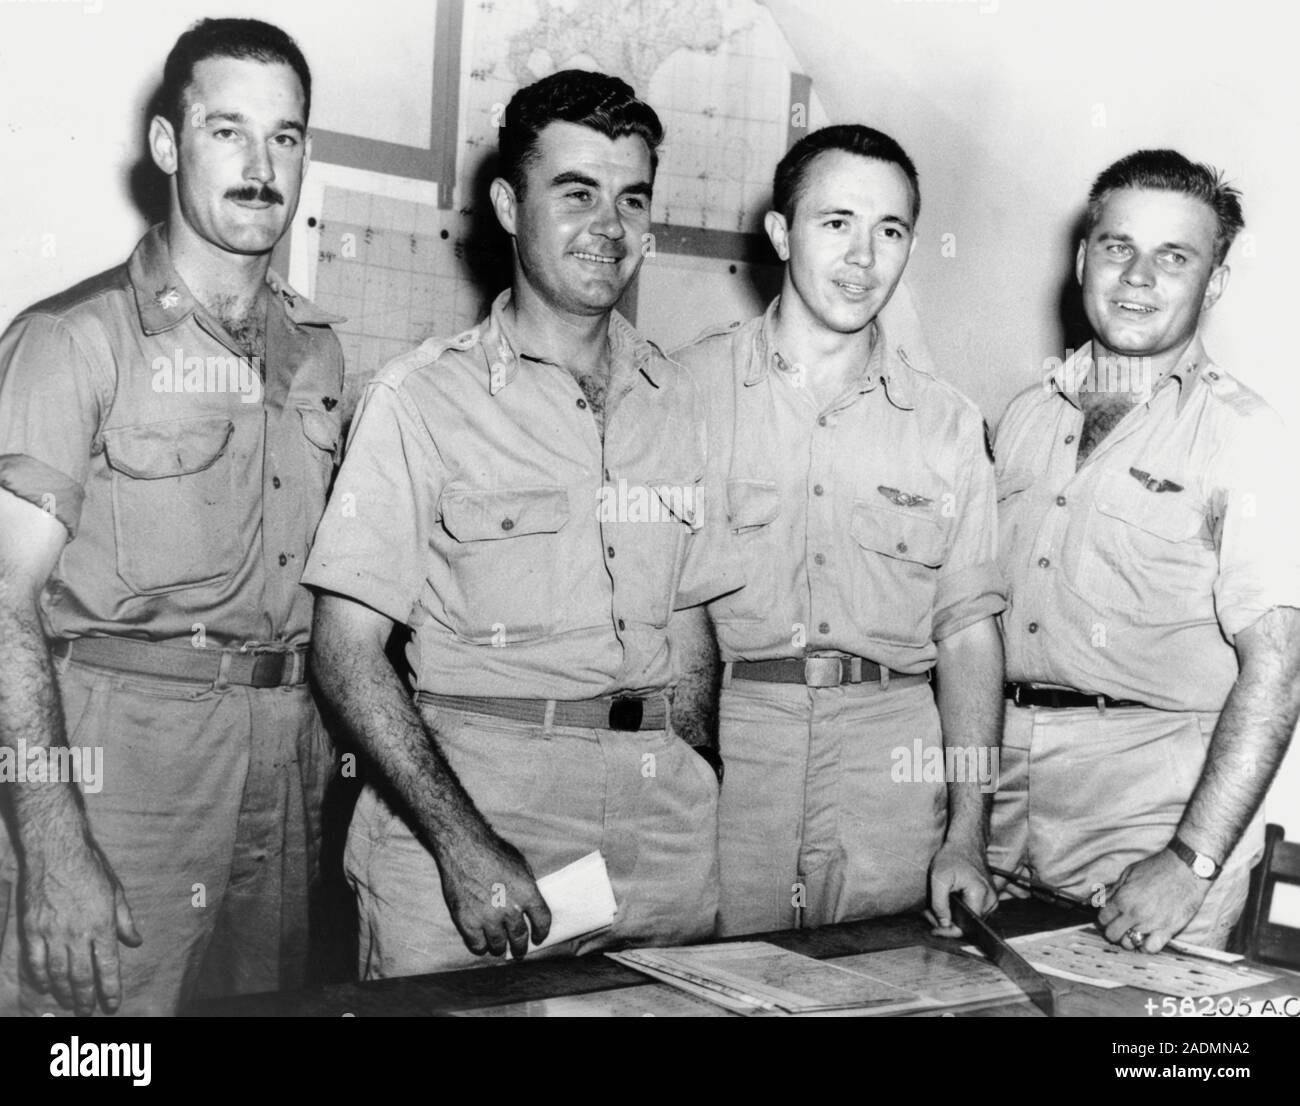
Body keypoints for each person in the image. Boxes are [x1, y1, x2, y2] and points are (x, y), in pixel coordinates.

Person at [304, 70, 734, 977]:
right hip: (478, 832)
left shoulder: (680, 402)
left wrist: (695, 774)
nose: (609, 227)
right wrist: (461, 847)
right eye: (575, 194)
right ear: (507, 204)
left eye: (631, 199)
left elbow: (691, 626)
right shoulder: (419, 400)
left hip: (661, 842)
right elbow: (344, 655)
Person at [0, 18, 341, 1016]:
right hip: (125, 778)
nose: (259, 163)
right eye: (226, 130)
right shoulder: (73, 339)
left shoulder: (317, 351)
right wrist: (54, 841)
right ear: (166, 146)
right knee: (100, 1050)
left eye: (284, 136)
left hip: (282, 772)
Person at [674, 125, 1005, 938]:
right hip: (732, 751)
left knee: (883, 989)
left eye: (889, 231)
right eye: (836, 223)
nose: (863, 256)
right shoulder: (681, 391)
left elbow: (968, 642)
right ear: (782, 232)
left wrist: (967, 835)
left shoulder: (949, 426)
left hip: (891, 762)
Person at [990, 149, 1300, 951]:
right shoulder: (1024, 414)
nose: (1137, 277)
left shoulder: (1245, 437)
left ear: (1215, 282)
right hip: (999, 814)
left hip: (1149, 836)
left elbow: (1281, 668)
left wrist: (1188, 861)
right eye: (1118, 246)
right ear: (1082, 256)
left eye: (1174, 257)